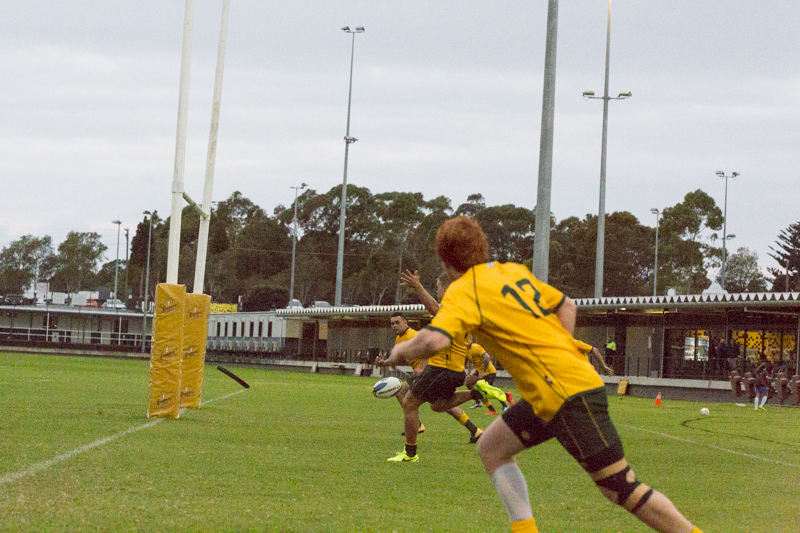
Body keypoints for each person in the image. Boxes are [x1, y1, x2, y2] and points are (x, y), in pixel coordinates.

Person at [382, 216, 702, 533]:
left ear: (445, 259)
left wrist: (399, 352)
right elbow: (567, 305)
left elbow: (434, 340)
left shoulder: (464, 290)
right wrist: (560, 354)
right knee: (492, 448)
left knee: (621, 487)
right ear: (481, 247)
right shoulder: (511, 272)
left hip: (565, 393)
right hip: (550, 393)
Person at [377, 270, 488, 463]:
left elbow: (434, 311)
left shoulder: (453, 306)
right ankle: (475, 394)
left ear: (446, 289)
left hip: (441, 369)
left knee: (409, 403)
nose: (437, 291)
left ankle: (410, 453)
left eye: (438, 287)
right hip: (451, 370)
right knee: (438, 405)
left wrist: (418, 286)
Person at [389, 311, 426, 436]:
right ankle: (416, 425)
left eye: (397, 322)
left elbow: (427, 350)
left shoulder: (413, 335)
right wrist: (388, 362)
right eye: (392, 324)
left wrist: (421, 368)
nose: (394, 326)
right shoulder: (399, 339)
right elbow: (400, 356)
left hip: (428, 372)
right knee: (400, 392)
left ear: (405, 322)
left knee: (442, 404)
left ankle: (475, 430)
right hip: (418, 374)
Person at [466, 336, 513, 414]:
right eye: (465, 339)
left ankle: (506, 399)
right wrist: (468, 374)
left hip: (489, 371)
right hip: (479, 371)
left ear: (471, 340)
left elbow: (487, 357)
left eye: (468, 339)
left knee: (488, 392)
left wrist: (483, 372)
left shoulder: (476, 347)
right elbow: (470, 362)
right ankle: (479, 403)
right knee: (469, 383)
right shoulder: (466, 350)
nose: (466, 341)